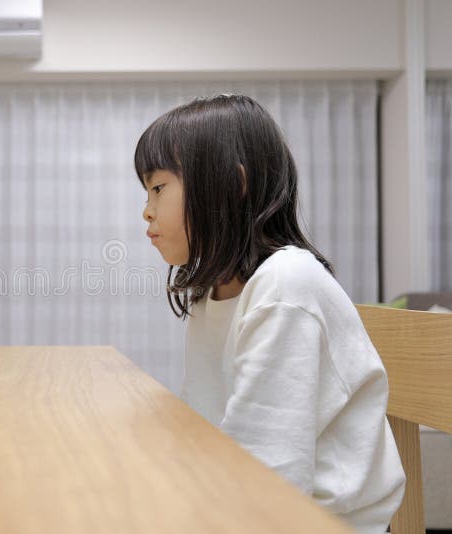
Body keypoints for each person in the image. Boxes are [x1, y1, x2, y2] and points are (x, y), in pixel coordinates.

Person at [135, 94, 405, 533]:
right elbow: (213, 436)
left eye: (158, 187)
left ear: (233, 183)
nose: (146, 209)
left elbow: (267, 486)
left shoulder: (285, 285)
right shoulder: (213, 292)